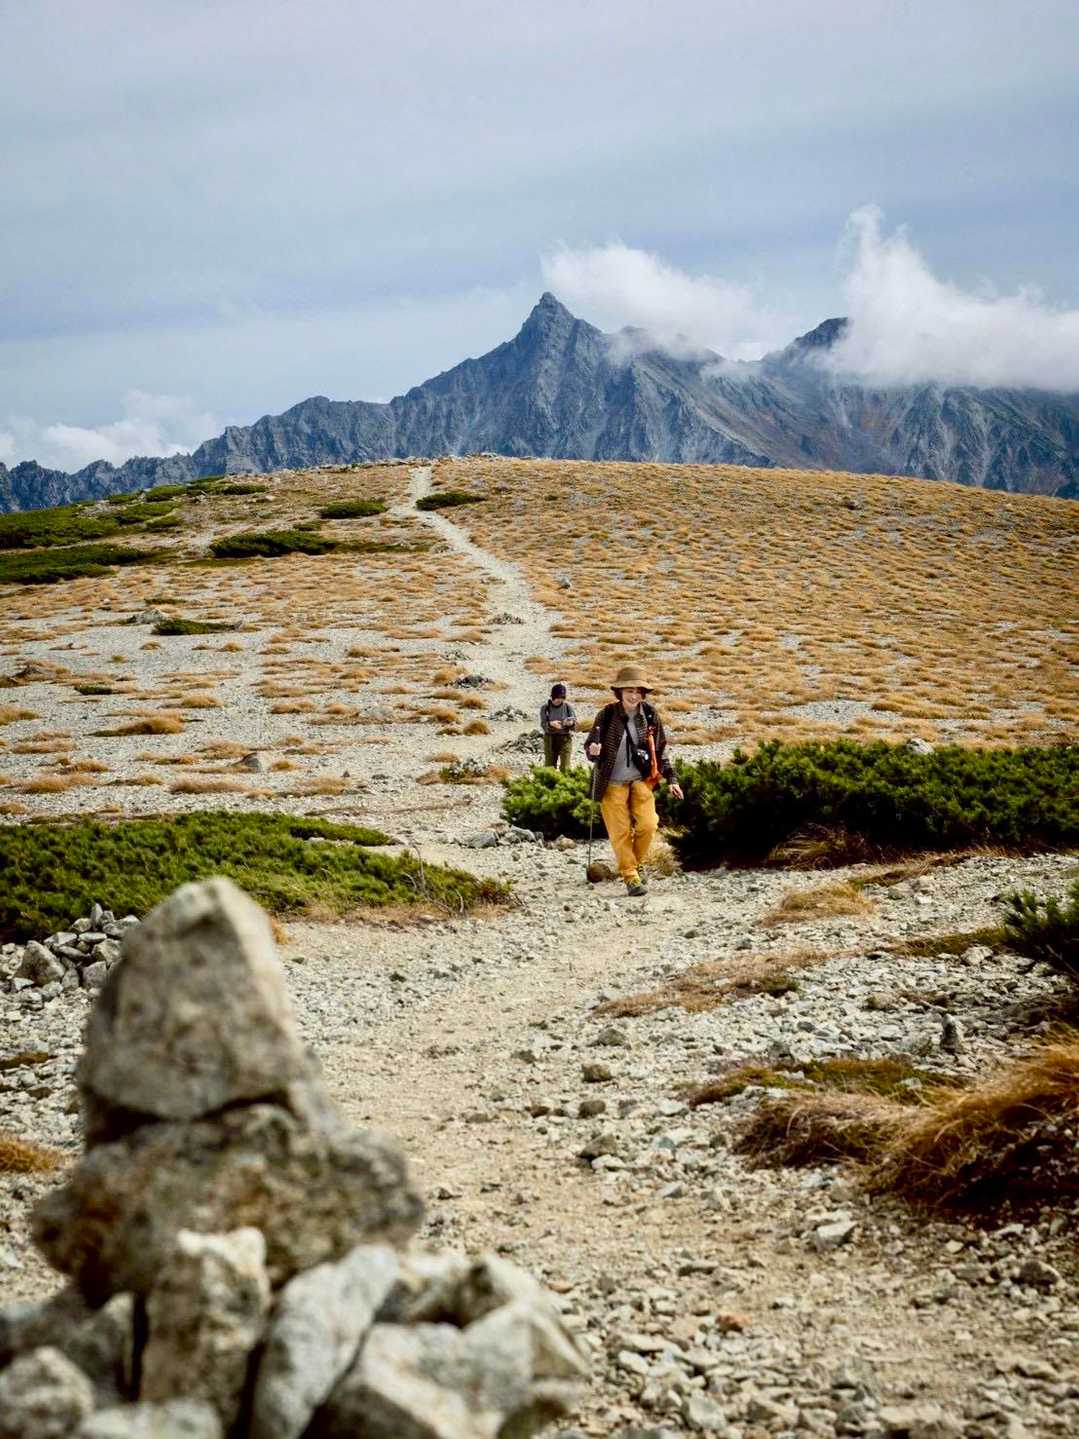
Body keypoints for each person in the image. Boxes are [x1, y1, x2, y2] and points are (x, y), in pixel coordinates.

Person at [585, 663, 683, 897]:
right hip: (611, 783)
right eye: (629, 690)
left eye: (638, 691)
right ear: (619, 692)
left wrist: (672, 778)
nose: (634, 695)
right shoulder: (607, 714)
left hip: (641, 780)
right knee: (620, 833)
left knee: (649, 825)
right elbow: (590, 745)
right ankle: (631, 877)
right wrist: (593, 751)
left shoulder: (649, 715)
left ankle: (632, 866)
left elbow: (660, 749)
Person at [540, 682, 577, 771]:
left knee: (565, 767)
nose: (560, 700)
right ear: (553, 696)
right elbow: (543, 724)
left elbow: (574, 723)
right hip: (550, 739)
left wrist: (570, 723)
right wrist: (551, 724)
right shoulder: (545, 708)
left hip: (565, 739)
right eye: (558, 697)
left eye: (562, 698)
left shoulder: (568, 707)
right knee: (549, 767)